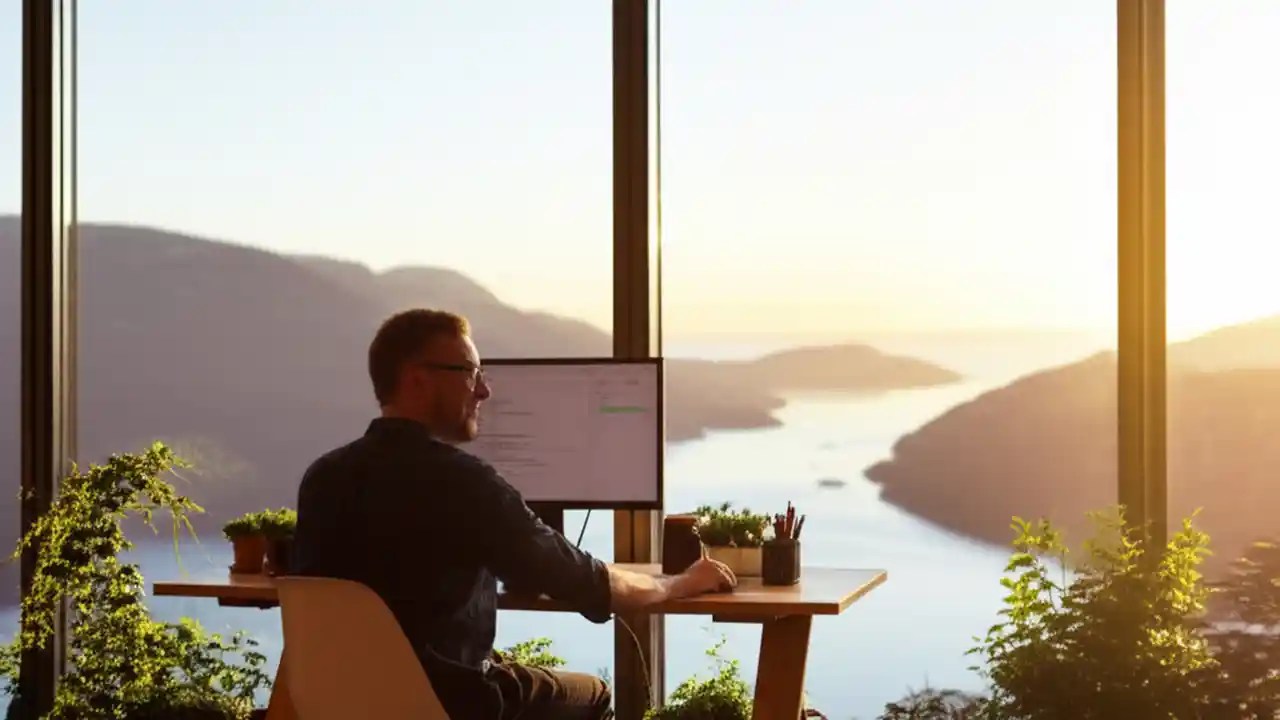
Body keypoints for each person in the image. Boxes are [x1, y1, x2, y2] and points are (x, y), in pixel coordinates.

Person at [293, 309, 737, 720]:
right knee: (594, 692)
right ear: (417, 381)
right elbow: (587, 582)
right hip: (448, 702)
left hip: (335, 701)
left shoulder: (322, 478)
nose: (484, 390)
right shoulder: (462, 482)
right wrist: (679, 583)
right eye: (470, 374)